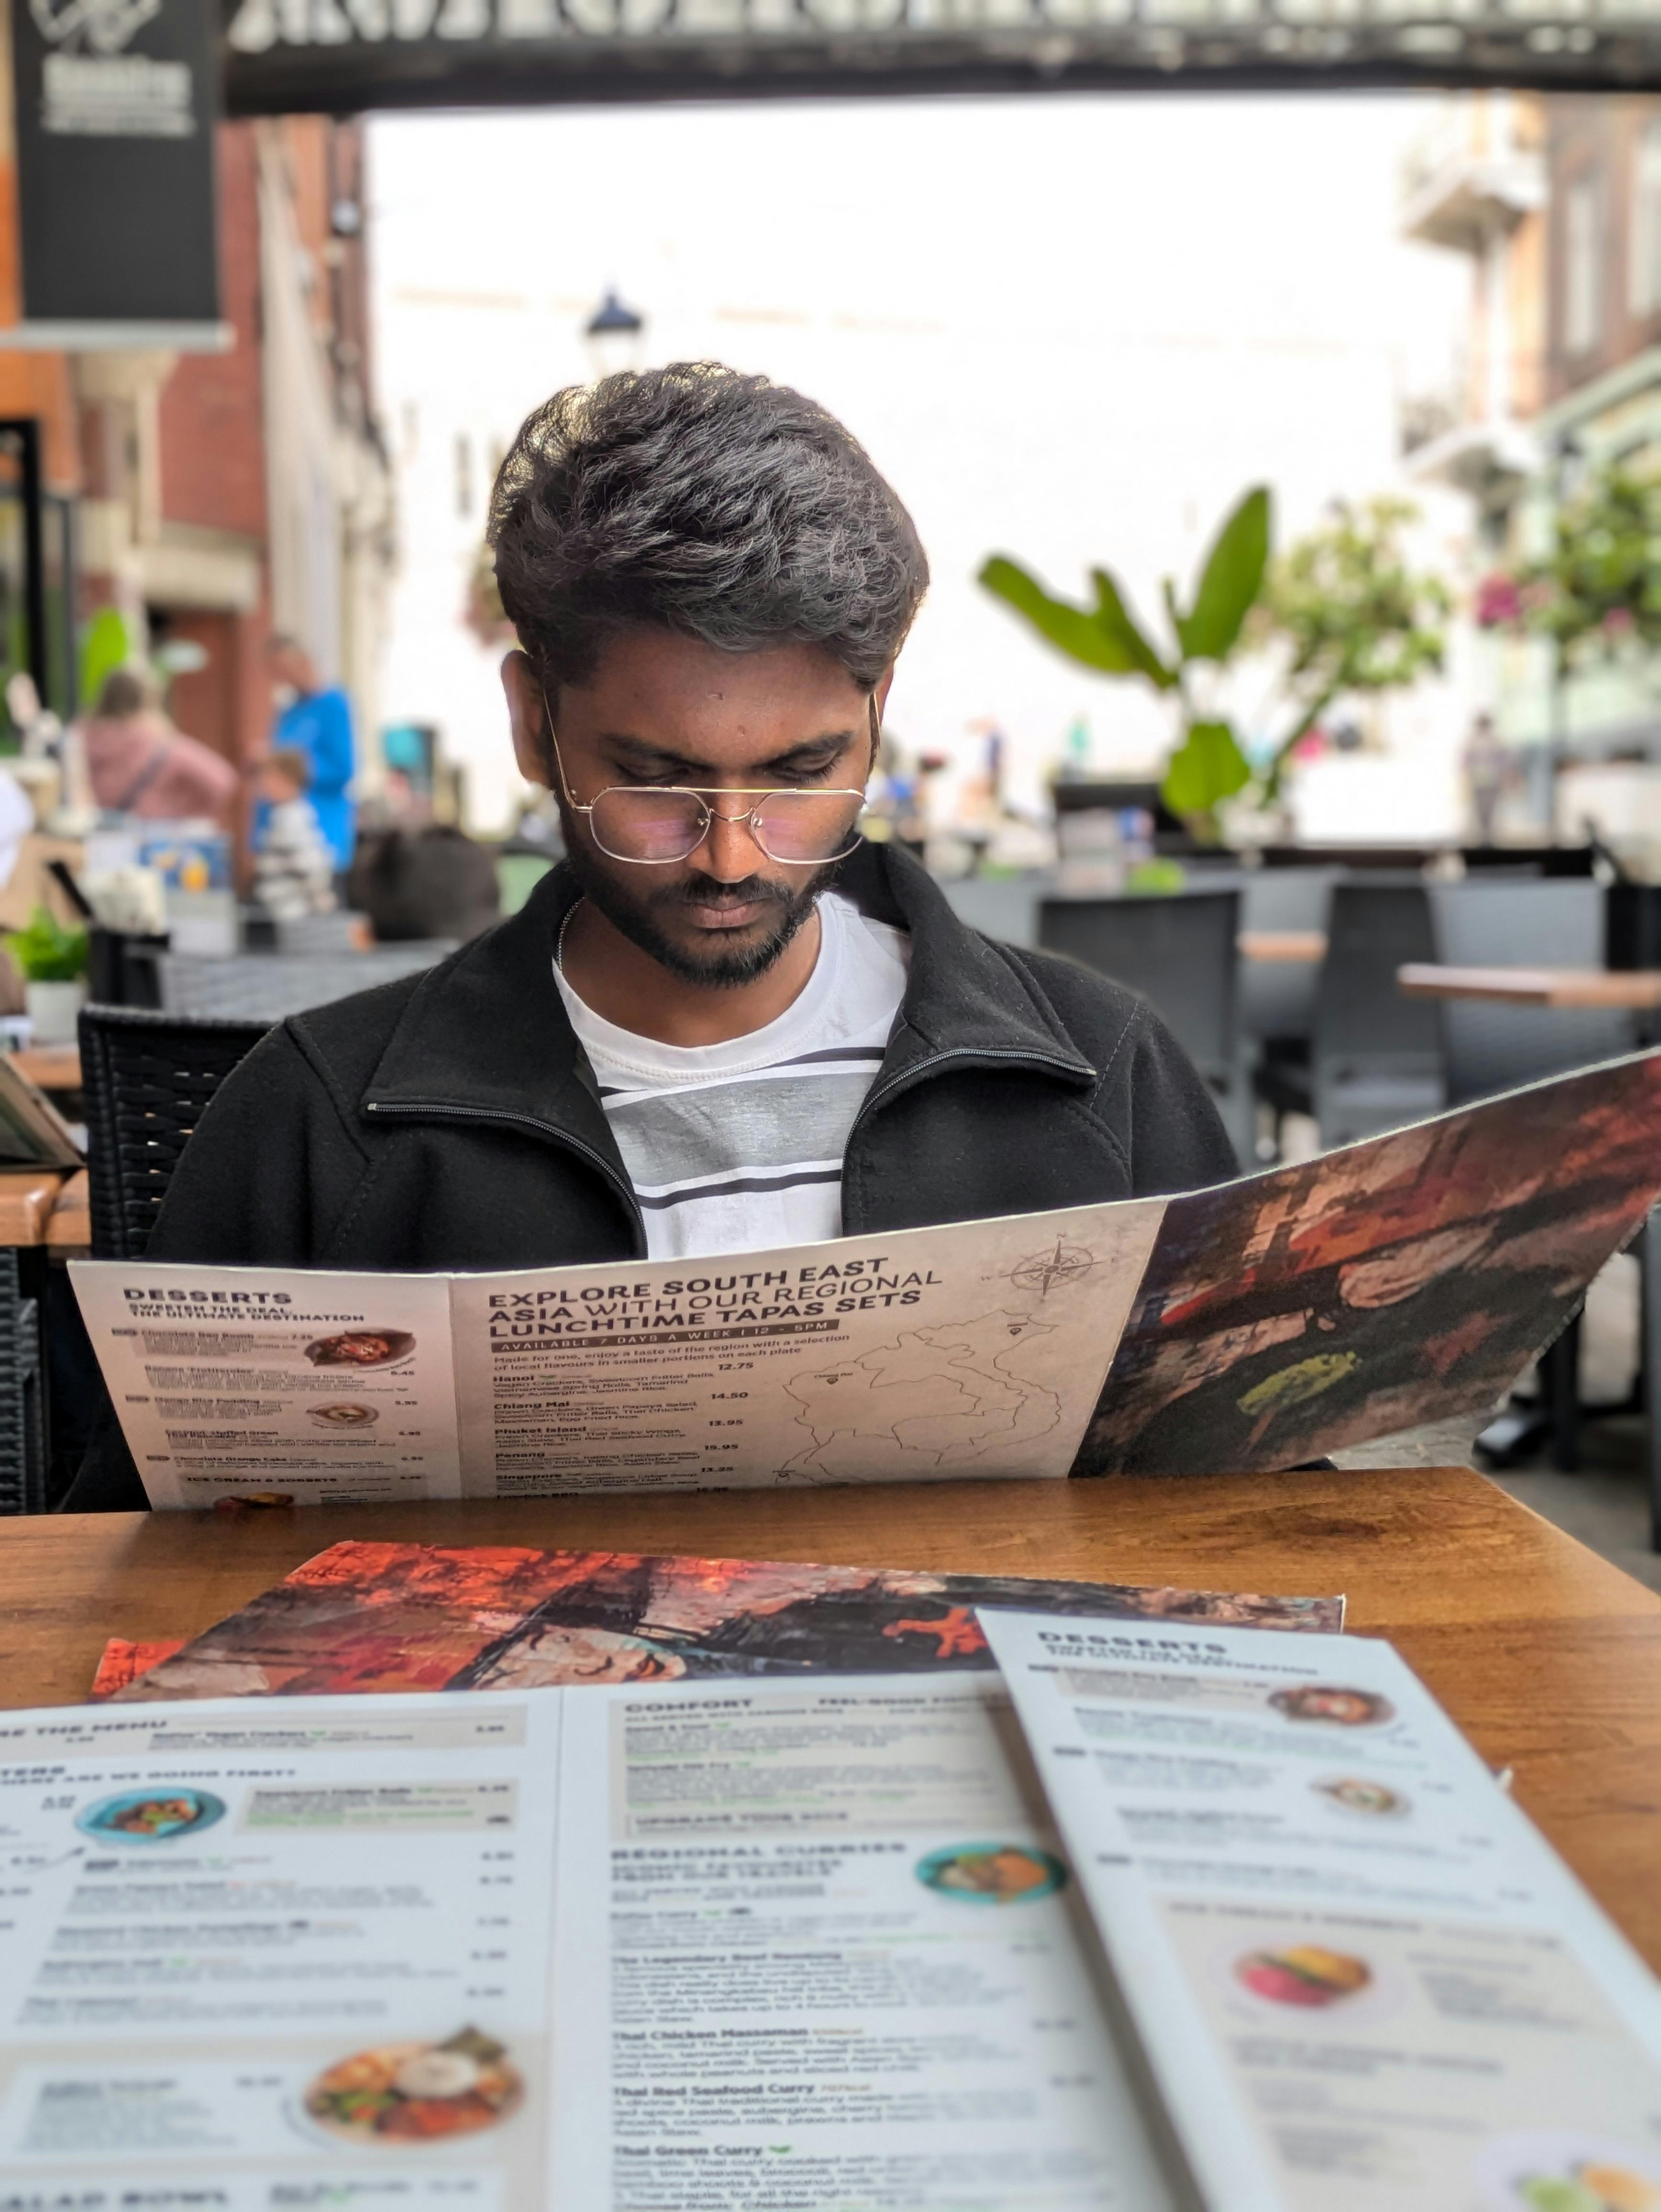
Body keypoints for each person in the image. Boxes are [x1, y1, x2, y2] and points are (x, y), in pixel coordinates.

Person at [65, 364, 1236, 1509]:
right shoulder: (323, 1123)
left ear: (875, 722)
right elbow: (137, 1570)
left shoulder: (1096, 1077)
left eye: (800, 771)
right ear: (536, 726)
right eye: (654, 776)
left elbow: (1255, 1513)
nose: (732, 854)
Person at [79, 669, 238, 828]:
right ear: (150, 702)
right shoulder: (160, 744)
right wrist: (181, 811)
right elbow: (223, 780)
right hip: (151, 844)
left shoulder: (78, 741)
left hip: (91, 842)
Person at [267, 638, 356, 869]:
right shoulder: (289, 711)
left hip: (318, 836)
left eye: (285, 669)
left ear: (304, 662)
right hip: (284, 836)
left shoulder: (333, 704)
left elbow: (343, 768)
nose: (282, 678)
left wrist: (287, 765)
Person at [251, 750, 337, 920]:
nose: (264, 784)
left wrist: (317, 896)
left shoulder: (293, 817)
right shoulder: (280, 815)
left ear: (288, 780)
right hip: (279, 905)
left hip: (294, 907)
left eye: (270, 778)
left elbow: (309, 863)